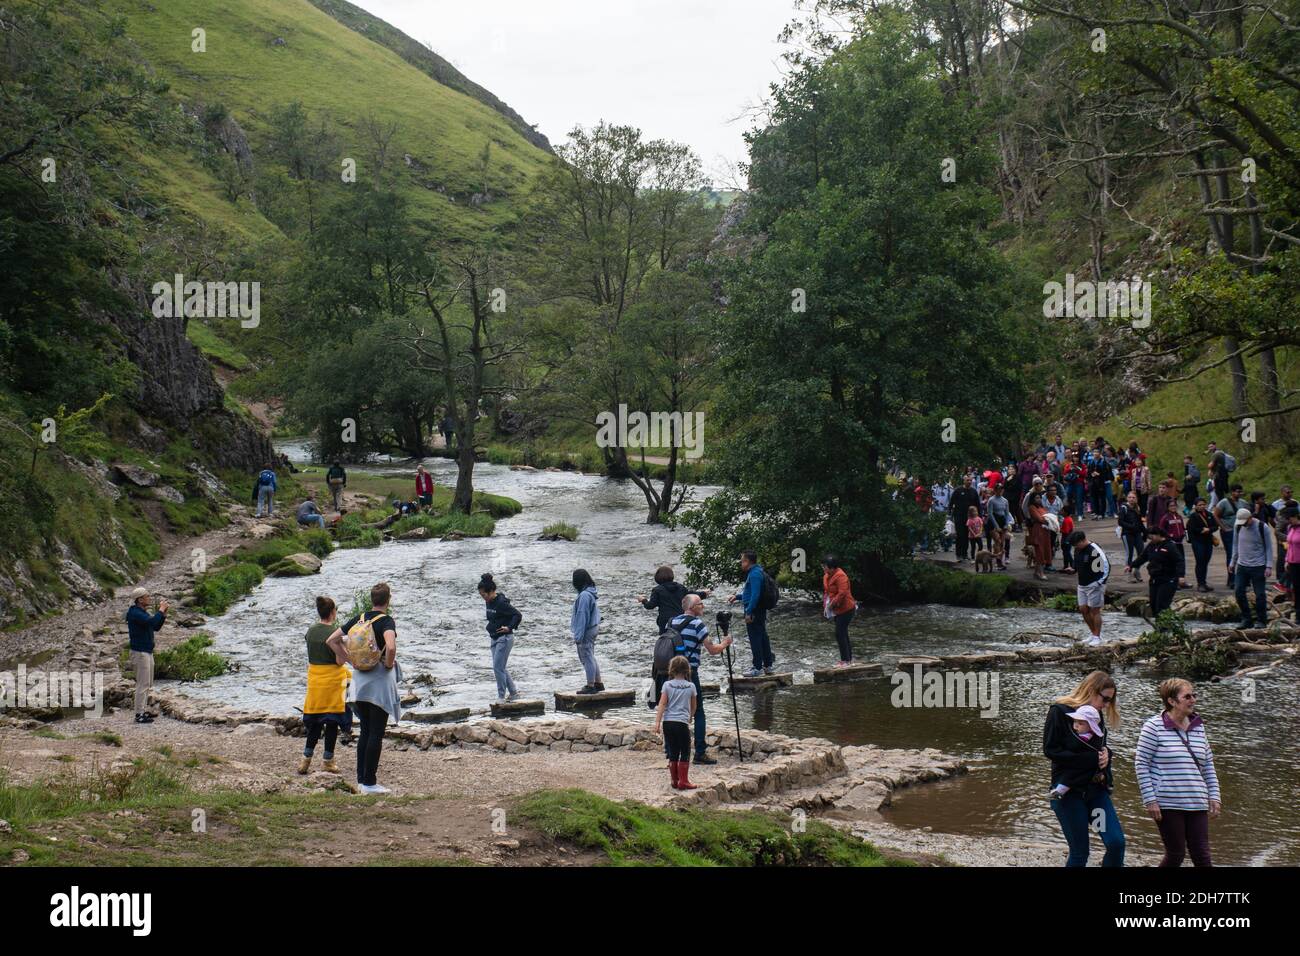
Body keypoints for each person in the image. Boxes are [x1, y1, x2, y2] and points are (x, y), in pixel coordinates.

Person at [1134, 678, 1221, 867]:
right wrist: (1150, 800)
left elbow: (1208, 765)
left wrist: (1214, 795)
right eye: (1187, 696)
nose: (1193, 700)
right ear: (1172, 701)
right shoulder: (1152, 727)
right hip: (1168, 802)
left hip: (1197, 801)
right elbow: (1141, 764)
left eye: (1194, 695)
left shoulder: (1199, 726)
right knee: (1176, 854)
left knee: (1203, 856)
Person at [1043, 671, 1126, 867]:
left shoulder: (1095, 714)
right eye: (1105, 699)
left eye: (1110, 701)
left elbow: (1097, 746)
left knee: (1115, 843)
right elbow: (1051, 750)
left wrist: (1107, 755)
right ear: (1090, 690)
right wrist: (1089, 759)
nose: (1106, 705)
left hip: (1096, 793)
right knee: (1080, 852)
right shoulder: (1059, 711)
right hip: (1068, 795)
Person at [326, 582, 401, 795]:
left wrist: (352, 661)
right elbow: (392, 646)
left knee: (366, 731)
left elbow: (331, 640)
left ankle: (362, 781)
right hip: (378, 685)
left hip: (359, 684)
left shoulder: (360, 618)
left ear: (371, 599)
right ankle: (370, 783)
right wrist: (387, 664)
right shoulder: (386, 621)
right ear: (388, 600)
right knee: (375, 733)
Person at [664, 593, 732, 764]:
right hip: (690, 671)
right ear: (692, 607)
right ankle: (700, 752)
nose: (703, 606)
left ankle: (670, 750)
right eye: (701, 604)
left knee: (671, 708)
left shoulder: (671, 622)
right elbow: (712, 650)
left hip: (670, 672)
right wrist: (725, 643)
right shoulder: (697, 624)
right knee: (698, 712)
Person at [300, 596, 348, 775]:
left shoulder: (310, 631)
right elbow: (339, 661)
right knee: (331, 722)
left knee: (315, 722)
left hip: (315, 681)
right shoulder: (335, 633)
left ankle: (306, 759)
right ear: (333, 612)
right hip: (332, 683)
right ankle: (328, 760)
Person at [653, 656, 698, 790]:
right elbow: (694, 706)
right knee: (685, 750)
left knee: (673, 751)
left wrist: (657, 722)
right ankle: (683, 781)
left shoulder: (667, 685)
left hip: (668, 723)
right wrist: (690, 717)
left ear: (671, 670)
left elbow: (662, 704)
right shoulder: (691, 686)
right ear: (687, 670)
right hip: (681, 723)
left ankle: (674, 780)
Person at [126, 586, 167, 724]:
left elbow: (155, 626)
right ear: (140, 599)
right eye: (147, 596)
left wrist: (163, 615)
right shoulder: (135, 613)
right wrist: (160, 610)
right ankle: (139, 714)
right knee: (142, 684)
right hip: (140, 652)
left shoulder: (140, 612)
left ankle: (142, 710)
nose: (149, 598)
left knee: (147, 683)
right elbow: (151, 622)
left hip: (146, 651)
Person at [729, 551, 774, 676]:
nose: (741, 563)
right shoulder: (758, 571)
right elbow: (751, 593)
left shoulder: (754, 574)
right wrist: (737, 596)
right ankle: (768, 665)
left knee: (755, 639)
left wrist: (748, 612)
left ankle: (757, 667)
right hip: (759, 609)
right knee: (763, 637)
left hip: (754, 610)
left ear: (748, 561)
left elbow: (755, 595)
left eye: (742, 561)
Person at [1228, 507, 1274, 629]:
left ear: (1250, 518)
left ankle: (1261, 620)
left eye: (1245, 522)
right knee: (1238, 591)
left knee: (1259, 595)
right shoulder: (1238, 526)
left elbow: (1269, 547)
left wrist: (1269, 566)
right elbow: (1235, 545)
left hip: (1258, 566)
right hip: (1242, 565)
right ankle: (1246, 619)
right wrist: (1232, 562)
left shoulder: (1262, 527)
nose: (1243, 525)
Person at [479, 573, 522, 702]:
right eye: (481, 595)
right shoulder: (489, 602)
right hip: (494, 638)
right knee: (501, 667)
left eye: (484, 595)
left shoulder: (501, 603)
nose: (483, 598)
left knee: (498, 668)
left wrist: (509, 627)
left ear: (491, 591)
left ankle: (501, 697)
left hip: (505, 638)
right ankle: (514, 694)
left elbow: (517, 615)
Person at [1048, 705, 1105, 799]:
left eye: (1081, 723)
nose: (1075, 725)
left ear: (1091, 726)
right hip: (1079, 765)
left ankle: (1060, 790)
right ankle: (1060, 790)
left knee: (1075, 774)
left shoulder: (1088, 738)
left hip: (1087, 769)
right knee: (1072, 773)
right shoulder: (1078, 735)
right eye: (1074, 721)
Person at [636, 566, 711, 634]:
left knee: (666, 642)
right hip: (681, 620)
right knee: (680, 639)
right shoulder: (680, 587)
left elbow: (650, 606)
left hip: (666, 622)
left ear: (657, 578)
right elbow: (691, 596)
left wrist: (643, 600)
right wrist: (703, 593)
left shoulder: (657, 590)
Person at [1069, 530, 1109, 645]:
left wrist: (1099, 582)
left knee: (1094, 610)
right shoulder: (1077, 549)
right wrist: (1073, 570)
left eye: (1076, 544)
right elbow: (1077, 564)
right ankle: (1093, 634)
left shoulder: (1095, 549)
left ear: (1082, 540)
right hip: (1082, 584)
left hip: (1095, 584)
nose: (1075, 547)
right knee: (1083, 609)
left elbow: (1106, 566)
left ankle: (1097, 637)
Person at [1128, 526, 1179, 615]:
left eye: (1152, 537)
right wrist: (1132, 565)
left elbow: (1179, 561)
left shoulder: (1170, 545)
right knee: (1154, 605)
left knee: (1162, 605)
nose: (1151, 540)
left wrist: (1181, 576)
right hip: (1155, 578)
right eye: (1149, 538)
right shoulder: (1151, 545)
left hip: (1167, 579)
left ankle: (1165, 627)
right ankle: (1158, 626)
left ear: (1159, 535)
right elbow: (1143, 557)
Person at [571, 569, 603, 694]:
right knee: (591, 656)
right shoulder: (590, 593)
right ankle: (598, 683)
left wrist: (578, 637)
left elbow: (582, 616)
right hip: (594, 627)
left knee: (586, 656)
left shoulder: (584, 595)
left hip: (587, 629)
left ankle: (590, 685)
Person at [822, 555, 857, 665]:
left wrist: (831, 605)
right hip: (837, 609)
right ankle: (848, 659)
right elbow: (827, 592)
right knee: (842, 633)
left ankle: (845, 661)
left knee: (839, 633)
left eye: (825, 566)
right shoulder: (827, 575)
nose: (823, 568)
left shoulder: (841, 576)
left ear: (832, 568)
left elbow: (842, 593)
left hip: (847, 609)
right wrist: (825, 605)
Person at [1213, 485, 1244, 587]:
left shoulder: (1243, 503)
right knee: (1231, 554)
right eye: (1237, 491)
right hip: (1229, 531)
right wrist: (1223, 527)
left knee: (1241, 554)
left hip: (1241, 531)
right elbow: (1216, 515)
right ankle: (1231, 579)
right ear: (1232, 492)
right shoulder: (1223, 502)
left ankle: (1240, 579)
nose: (1239, 494)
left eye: (1240, 492)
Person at [1186, 498, 1217, 592]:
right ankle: (1200, 584)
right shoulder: (1193, 516)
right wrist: (1201, 530)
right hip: (1198, 542)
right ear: (1195, 506)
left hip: (1208, 541)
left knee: (1205, 562)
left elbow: (1215, 526)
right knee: (1200, 562)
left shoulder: (1209, 515)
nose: (1202, 506)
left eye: (1203, 504)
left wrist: (1209, 530)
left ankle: (1204, 582)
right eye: (1199, 505)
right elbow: (1190, 529)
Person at [949, 476, 980, 561]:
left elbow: (978, 504)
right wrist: (949, 514)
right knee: (960, 535)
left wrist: (979, 516)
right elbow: (951, 502)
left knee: (967, 536)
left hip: (970, 517)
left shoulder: (973, 491)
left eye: (970, 480)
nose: (969, 482)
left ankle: (965, 554)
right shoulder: (958, 490)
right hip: (959, 516)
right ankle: (958, 554)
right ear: (964, 481)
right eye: (967, 480)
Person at [1117, 491, 1146, 582]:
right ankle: (1129, 574)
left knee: (1141, 553)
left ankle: (1137, 570)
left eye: (1133, 497)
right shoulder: (1123, 508)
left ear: (1136, 499)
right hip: (1127, 534)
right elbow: (1120, 522)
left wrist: (1145, 533)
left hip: (1137, 534)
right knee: (1129, 553)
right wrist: (1131, 526)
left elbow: (1140, 522)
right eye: (1130, 497)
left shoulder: (1137, 508)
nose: (1131, 499)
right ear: (1127, 498)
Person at [1158, 502, 1188, 588]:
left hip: (1179, 543)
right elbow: (1161, 531)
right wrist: (1169, 537)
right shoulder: (1165, 518)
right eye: (1171, 506)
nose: (1173, 507)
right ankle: (1174, 582)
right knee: (1173, 563)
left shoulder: (1179, 517)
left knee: (1181, 562)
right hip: (1171, 544)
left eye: (1175, 505)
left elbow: (1182, 527)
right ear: (1167, 507)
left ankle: (1181, 581)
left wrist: (1183, 534)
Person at [1272, 486, 1295, 590]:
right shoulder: (1278, 509)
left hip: (1293, 539)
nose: (1290, 494)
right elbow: (1277, 529)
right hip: (1284, 539)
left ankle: (1286, 583)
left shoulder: (1295, 504)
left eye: (1291, 492)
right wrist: (1288, 538)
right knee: (1282, 558)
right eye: (1287, 492)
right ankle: (1280, 579)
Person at [1026, 491, 1052, 581]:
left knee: (1044, 550)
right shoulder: (1031, 507)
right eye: (1036, 498)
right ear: (1032, 499)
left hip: (1045, 531)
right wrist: (1048, 520)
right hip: (1038, 530)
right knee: (1040, 551)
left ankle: (1036, 572)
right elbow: (1039, 518)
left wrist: (1049, 520)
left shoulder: (1041, 507)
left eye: (1039, 498)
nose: (1038, 499)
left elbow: (1047, 516)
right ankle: (1041, 573)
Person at [986, 486, 1011, 570]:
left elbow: (1007, 513)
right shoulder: (991, 500)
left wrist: (1006, 524)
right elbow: (990, 513)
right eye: (998, 489)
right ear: (995, 490)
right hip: (993, 521)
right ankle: (998, 561)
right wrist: (996, 526)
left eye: (1001, 489)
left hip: (1002, 520)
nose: (1000, 491)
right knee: (997, 540)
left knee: (1001, 543)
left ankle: (999, 559)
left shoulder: (1005, 500)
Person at [1285, 507, 1300, 620]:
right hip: (1292, 563)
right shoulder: (1290, 527)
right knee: (1296, 587)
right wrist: (1286, 560)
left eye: (1289, 518)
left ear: (1295, 516)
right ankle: (1298, 614)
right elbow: (1289, 545)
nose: (1288, 521)